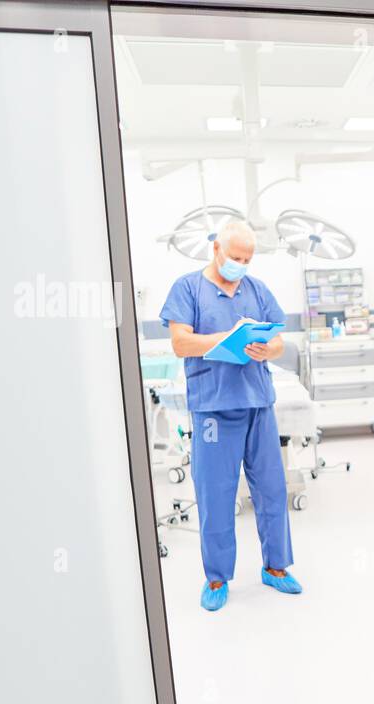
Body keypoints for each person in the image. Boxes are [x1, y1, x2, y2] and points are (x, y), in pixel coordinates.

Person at [161, 220, 302, 612]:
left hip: (258, 403)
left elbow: (277, 340)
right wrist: (227, 340)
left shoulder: (256, 290)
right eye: (235, 257)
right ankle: (217, 576)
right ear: (216, 250)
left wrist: (267, 350)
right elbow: (180, 342)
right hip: (213, 408)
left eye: (247, 259)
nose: (241, 264)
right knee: (216, 494)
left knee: (272, 489)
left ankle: (275, 567)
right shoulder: (188, 288)